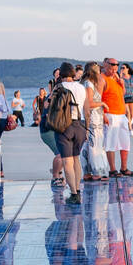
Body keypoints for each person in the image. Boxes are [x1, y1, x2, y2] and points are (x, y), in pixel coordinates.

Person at [51, 60, 87, 204]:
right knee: (76, 159)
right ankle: (78, 189)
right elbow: (86, 108)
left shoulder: (59, 87)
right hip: (80, 125)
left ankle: (73, 194)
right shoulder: (81, 87)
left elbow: (48, 104)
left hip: (64, 127)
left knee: (67, 162)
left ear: (62, 73)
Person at [100, 57, 133, 177]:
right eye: (112, 65)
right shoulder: (102, 79)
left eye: (116, 65)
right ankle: (112, 169)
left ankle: (124, 168)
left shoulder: (116, 78)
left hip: (121, 114)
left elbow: (121, 94)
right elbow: (98, 97)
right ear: (105, 65)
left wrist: (122, 85)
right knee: (111, 142)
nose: (114, 67)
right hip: (110, 114)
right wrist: (103, 114)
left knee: (125, 142)